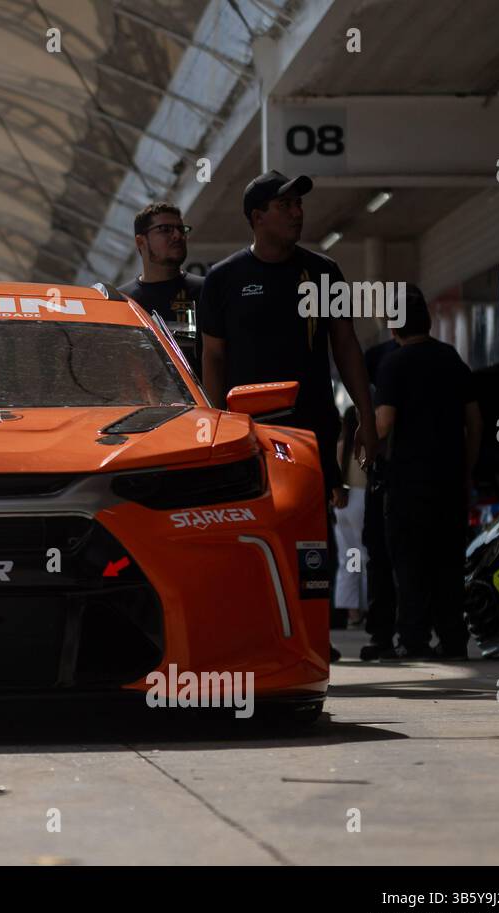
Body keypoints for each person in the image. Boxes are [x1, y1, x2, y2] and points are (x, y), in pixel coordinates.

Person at [199, 170, 379, 662]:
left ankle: (312, 632)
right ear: (258, 218)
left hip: (311, 428)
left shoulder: (323, 273)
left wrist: (364, 414)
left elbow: (346, 346)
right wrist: (214, 426)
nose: (298, 211)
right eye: (285, 205)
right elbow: (212, 358)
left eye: (298, 203)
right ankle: (252, 630)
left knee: (313, 534)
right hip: (247, 432)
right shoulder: (223, 280)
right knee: (249, 527)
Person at [374, 285, 481, 660]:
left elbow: (384, 424)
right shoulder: (451, 358)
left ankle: (414, 639)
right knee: (449, 562)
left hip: (408, 485)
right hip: (450, 482)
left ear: (394, 328)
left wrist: (363, 436)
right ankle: (453, 638)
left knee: (410, 563)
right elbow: (474, 420)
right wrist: (465, 467)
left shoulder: (393, 365)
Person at [119, 202, 204, 377]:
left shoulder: (207, 290)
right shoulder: (123, 301)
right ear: (140, 241)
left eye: (181, 229)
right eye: (165, 229)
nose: (177, 236)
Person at [359, 334, 400, 660]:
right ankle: (419, 633)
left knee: (380, 555)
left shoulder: (381, 361)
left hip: (386, 472)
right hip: (424, 472)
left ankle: (383, 634)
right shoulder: (447, 359)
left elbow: (380, 422)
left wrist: (367, 451)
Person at [333, 406, 368, 627]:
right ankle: (368, 606)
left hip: (342, 504)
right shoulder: (364, 447)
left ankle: (352, 612)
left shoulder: (340, 448)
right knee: (365, 557)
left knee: (349, 558)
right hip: (361, 502)